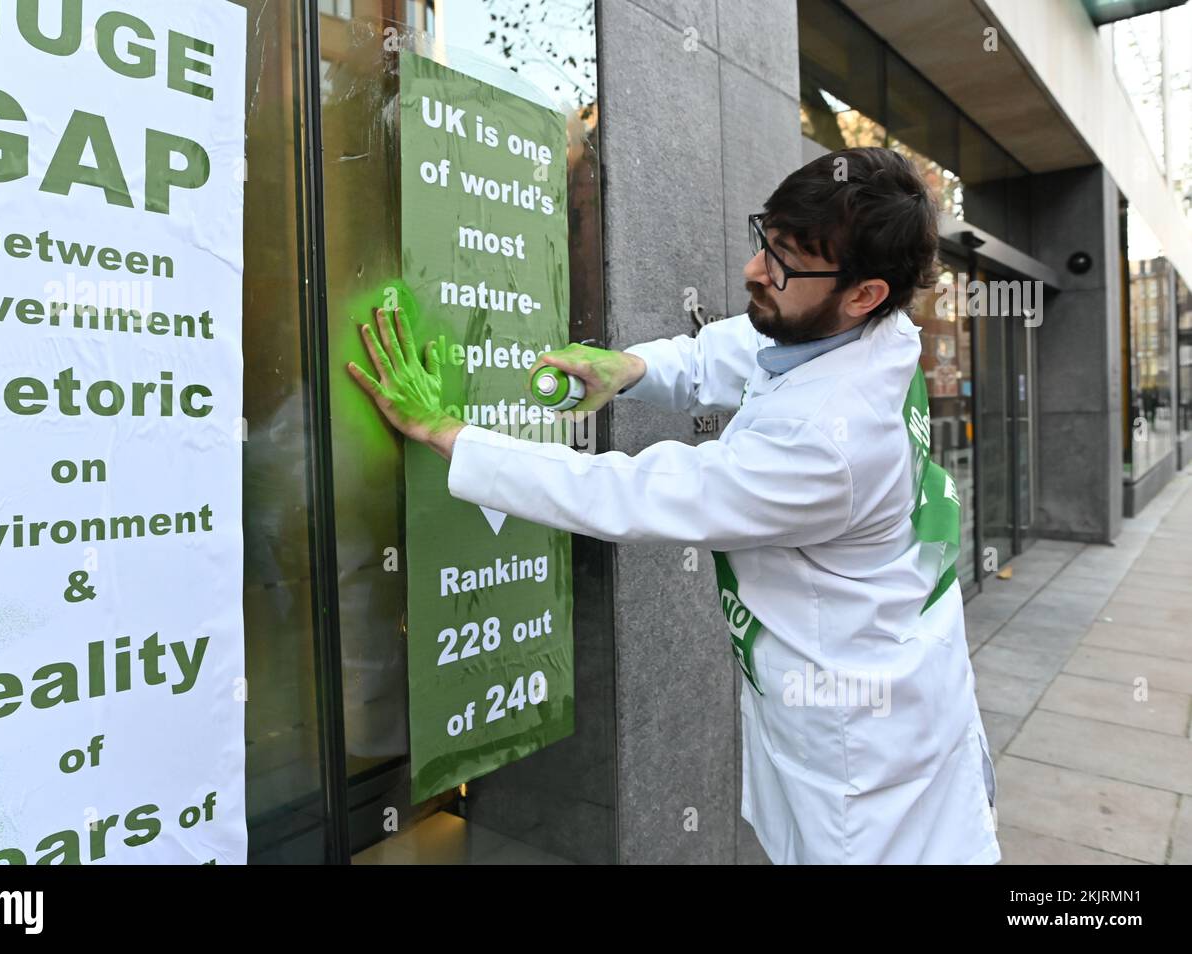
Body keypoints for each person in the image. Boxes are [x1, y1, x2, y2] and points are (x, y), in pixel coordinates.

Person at [347, 146, 1000, 865]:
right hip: (895, 681)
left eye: (784, 263)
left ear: (863, 295)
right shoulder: (871, 331)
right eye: (766, 242)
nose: (755, 272)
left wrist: (447, 435)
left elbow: (627, 495)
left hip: (870, 763)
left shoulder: (831, 444)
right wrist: (629, 369)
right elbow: (745, 346)